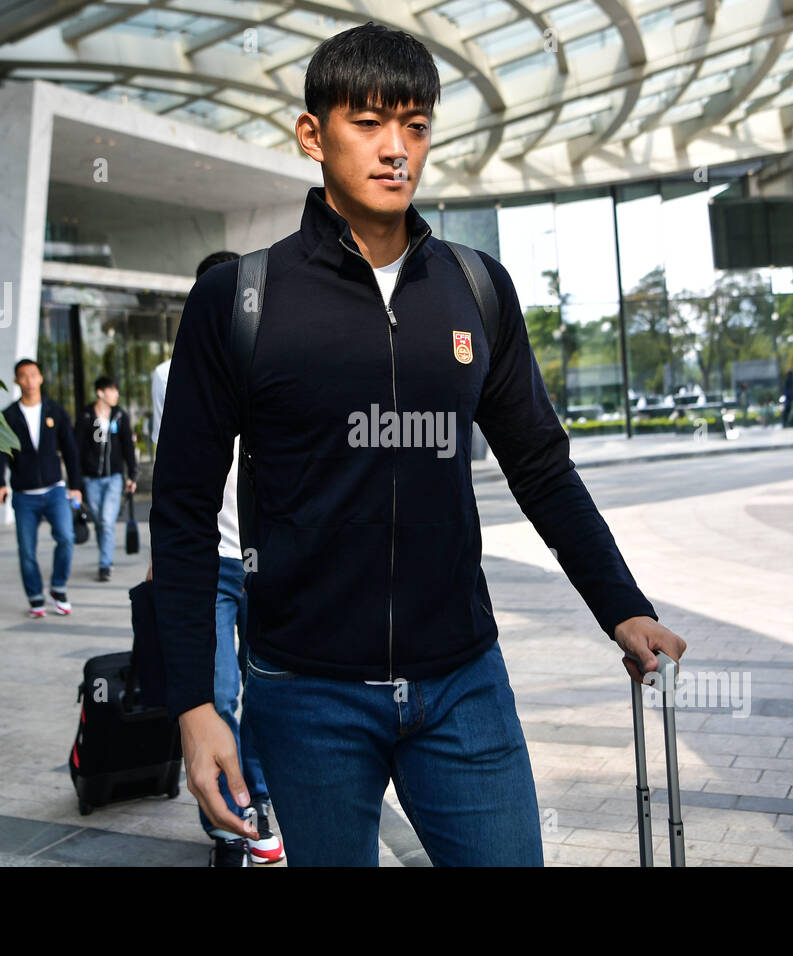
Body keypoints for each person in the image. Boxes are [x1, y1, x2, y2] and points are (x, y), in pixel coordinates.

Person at [151, 21, 687, 866]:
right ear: (312, 134)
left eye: (415, 125)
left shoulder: (477, 287)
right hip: (305, 691)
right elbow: (181, 511)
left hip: (463, 682)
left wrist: (621, 605)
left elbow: (541, 467)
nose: (395, 148)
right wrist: (194, 704)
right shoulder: (239, 300)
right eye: (367, 123)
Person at [151, 259, 284, 866]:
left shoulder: (271, 357)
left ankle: (254, 802)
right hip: (211, 560)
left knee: (263, 688)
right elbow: (175, 471)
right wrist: (170, 560)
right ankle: (229, 824)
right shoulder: (169, 374)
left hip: (262, 559)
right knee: (218, 691)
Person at [0, 359, 83, 618]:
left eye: (33, 375)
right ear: (16, 381)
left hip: (55, 490)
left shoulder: (55, 410)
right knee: (26, 551)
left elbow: (70, 451)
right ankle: (35, 597)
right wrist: (0, 483)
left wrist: (75, 487)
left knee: (66, 538)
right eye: (24, 376)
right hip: (24, 496)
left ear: (41, 377)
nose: (29, 381)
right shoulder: (8, 416)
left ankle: (58, 587)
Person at [77, 376, 138, 582]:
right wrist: (76, 482)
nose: (116, 394)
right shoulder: (86, 415)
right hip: (91, 479)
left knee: (106, 520)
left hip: (114, 478)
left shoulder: (120, 415)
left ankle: (105, 564)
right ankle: (105, 557)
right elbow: (77, 449)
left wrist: (132, 474)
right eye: (112, 390)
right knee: (100, 522)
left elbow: (128, 446)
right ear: (100, 392)